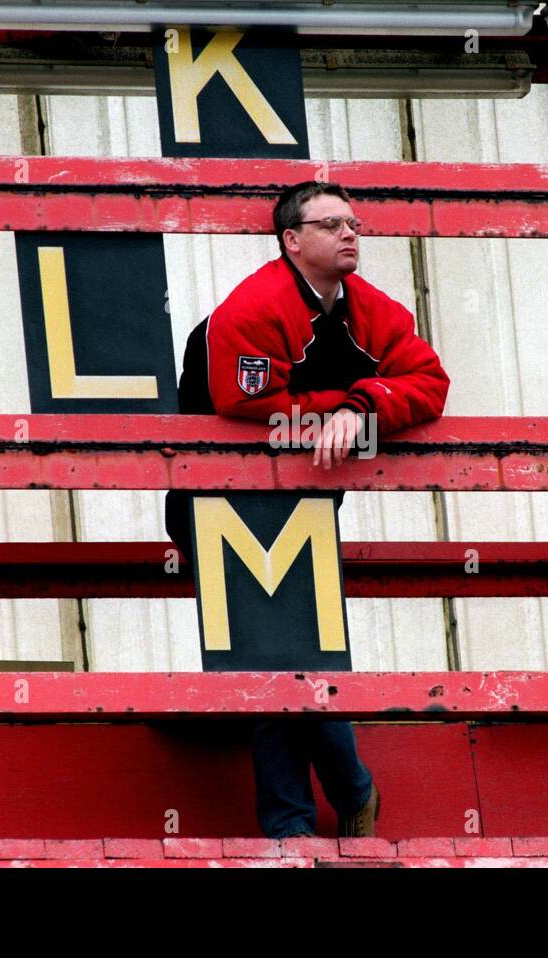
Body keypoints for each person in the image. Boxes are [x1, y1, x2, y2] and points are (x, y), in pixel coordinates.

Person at [164, 180, 450, 839]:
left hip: (302, 499)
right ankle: (337, 798)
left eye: (352, 222)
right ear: (292, 241)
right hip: (221, 501)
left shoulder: (367, 308)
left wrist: (363, 408)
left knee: (287, 659)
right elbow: (242, 407)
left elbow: (429, 381)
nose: (349, 233)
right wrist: (341, 409)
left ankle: (297, 821)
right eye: (329, 225)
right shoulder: (254, 307)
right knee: (265, 662)